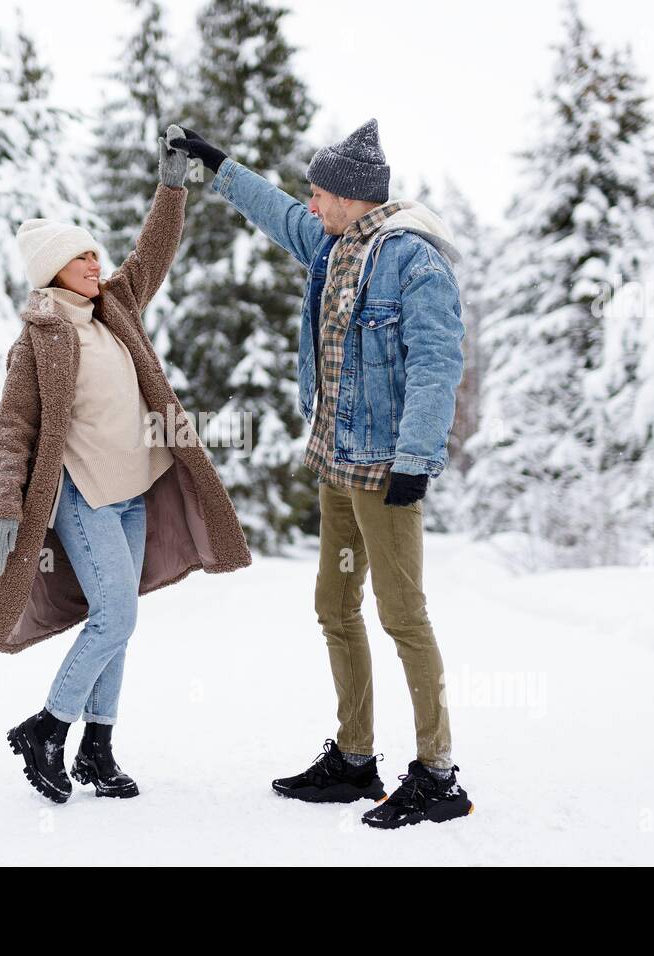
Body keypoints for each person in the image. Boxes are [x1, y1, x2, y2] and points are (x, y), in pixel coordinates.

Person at [167, 118, 473, 830]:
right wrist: (218, 166)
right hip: (336, 462)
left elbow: (436, 364)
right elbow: (274, 211)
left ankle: (437, 774)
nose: (309, 204)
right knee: (335, 608)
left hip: (385, 472)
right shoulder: (333, 246)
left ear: (353, 197)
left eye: (319, 193)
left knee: (403, 616)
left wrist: (415, 460)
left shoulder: (414, 263)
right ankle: (355, 759)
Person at [0, 128, 252, 804]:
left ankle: (96, 749)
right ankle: (47, 727)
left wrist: (171, 186)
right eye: (82, 260)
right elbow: (13, 430)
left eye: (96, 256)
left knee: (118, 615)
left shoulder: (114, 308)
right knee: (116, 618)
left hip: (135, 490)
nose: (96, 266)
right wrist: (2, 508)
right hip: (83, 495)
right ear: (53, 271)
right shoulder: (39, 339)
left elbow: (151, 255)